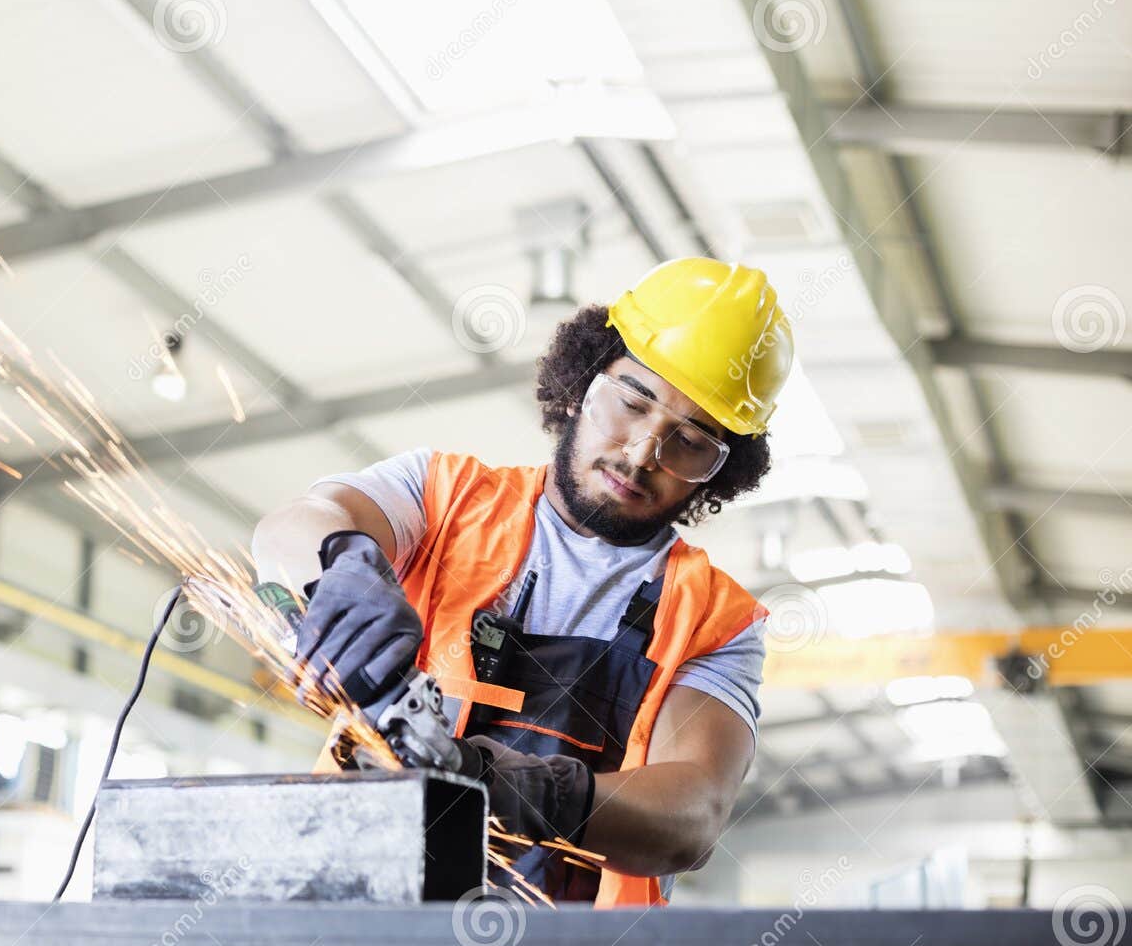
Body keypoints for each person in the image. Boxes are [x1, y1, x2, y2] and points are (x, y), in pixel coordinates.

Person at [251, 258, 793, 906]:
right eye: (632, 402)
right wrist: (342, 563)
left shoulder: (715, 620)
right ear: (582, 382)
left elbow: (693, 816)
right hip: (357, 927)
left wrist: (524, 788)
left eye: (691, 442)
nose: (643, 451)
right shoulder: (444, 495)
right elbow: (288, 529)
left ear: (722, 470)